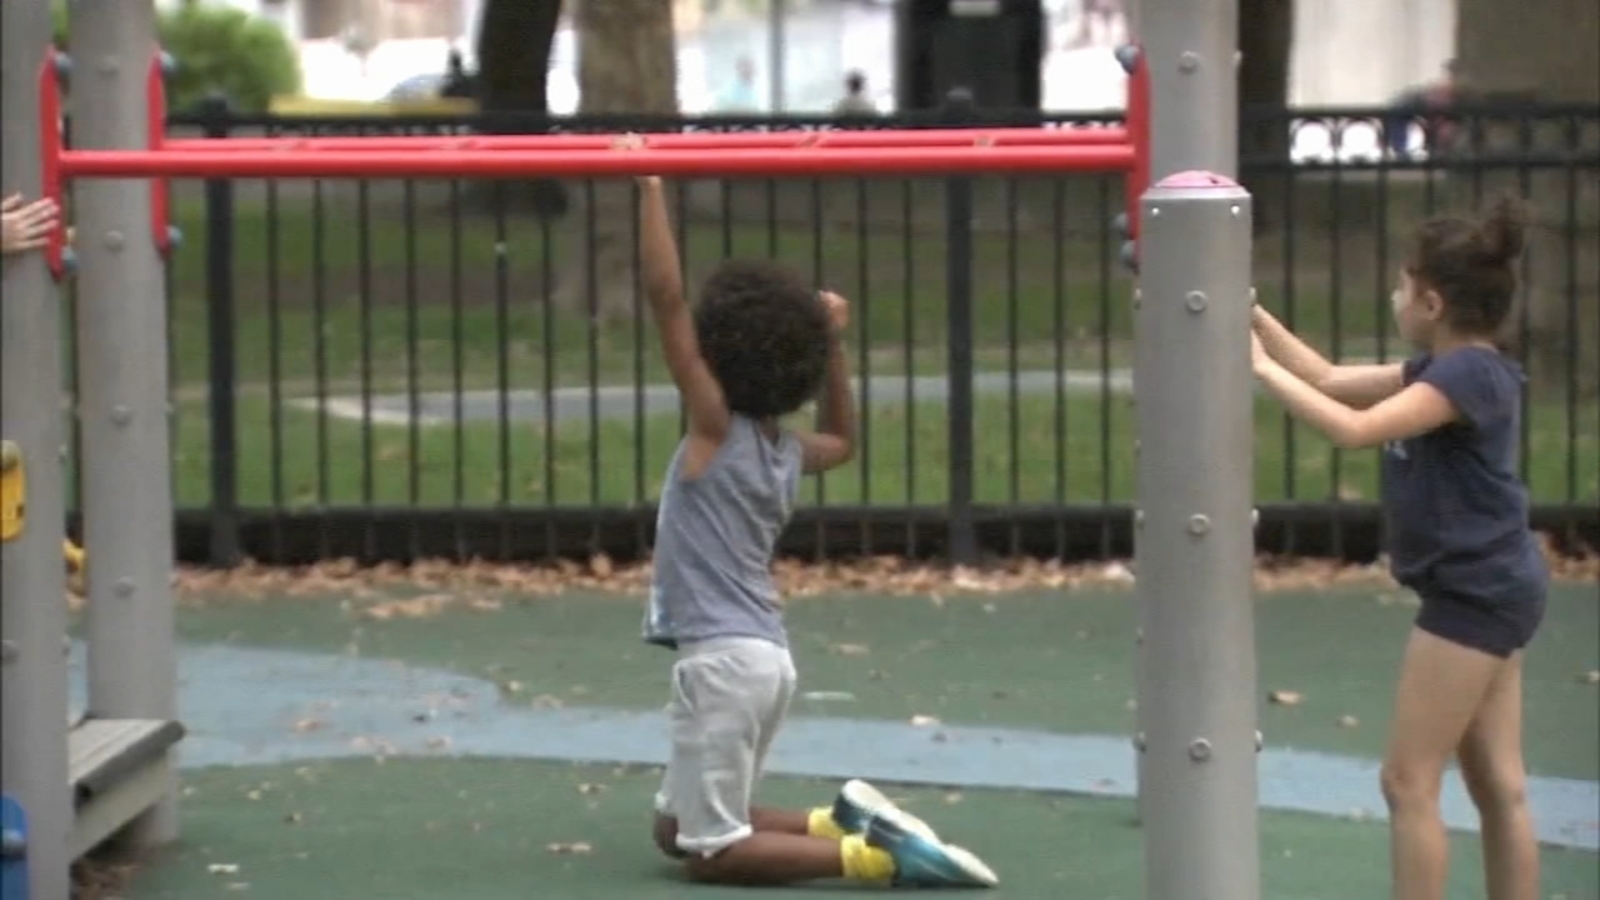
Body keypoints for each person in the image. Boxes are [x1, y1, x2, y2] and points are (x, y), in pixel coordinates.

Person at [628, 155, 999, 889]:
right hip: (763, 661)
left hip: (726, 664)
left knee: (712, 852)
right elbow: (847, 439)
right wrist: (832, 342)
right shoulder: (784, 451)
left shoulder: (714, 430)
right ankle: (841, 823)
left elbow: (666, 300)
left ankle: (877, 859)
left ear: (718, 351)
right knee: (676, 828)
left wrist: (648, 184)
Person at [1250, 196, 1545, 900]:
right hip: (1496, 585)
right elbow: (1326, 378)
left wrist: (1257, 369)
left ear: (1432, 303)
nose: (1395, 296)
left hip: (1475, 594)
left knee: (1408, 780)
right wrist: (1250, 317)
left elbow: (1357, 428)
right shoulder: (1448, 369)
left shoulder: (1466, 377)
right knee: (1497, 784)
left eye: (1401, 285)